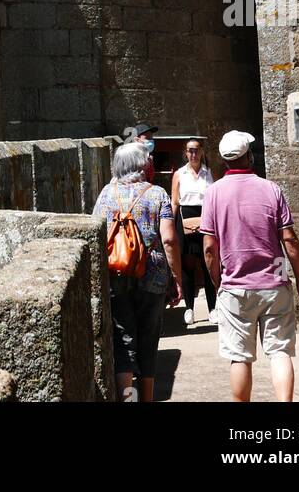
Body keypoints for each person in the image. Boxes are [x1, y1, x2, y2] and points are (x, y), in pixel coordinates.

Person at [200, 130, 299, 403]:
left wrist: (218, 282)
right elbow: (289, 239)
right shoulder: (271, 189)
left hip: (235, 286)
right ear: (249, 156)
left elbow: (209, 248)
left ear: (224, 161)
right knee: (280, 351)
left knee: (239, 356)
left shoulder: (213, 193)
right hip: (274, 282)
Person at [94, 140, 183, 403]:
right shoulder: (157, 194)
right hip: (153, 276)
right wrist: (176, 278)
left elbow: (95, 234)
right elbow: (169, 239)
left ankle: (126, 400)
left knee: (123, 342)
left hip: (116, 273)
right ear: (141, 165)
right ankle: (146, 399)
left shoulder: (106, 194)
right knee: (148, 340)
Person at [171, 138, 216, 326]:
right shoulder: (179, 174)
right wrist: (171, 226)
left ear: (202, 151)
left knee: (208, 264)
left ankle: (213, 309)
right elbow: (175, 202)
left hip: (206, 217)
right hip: (185, 219)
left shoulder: (209, 172)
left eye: (196, 150)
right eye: (190, 150)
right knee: (188, 266)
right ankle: (189, 308)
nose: (193, 154)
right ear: (185, 153)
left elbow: (214, 198)